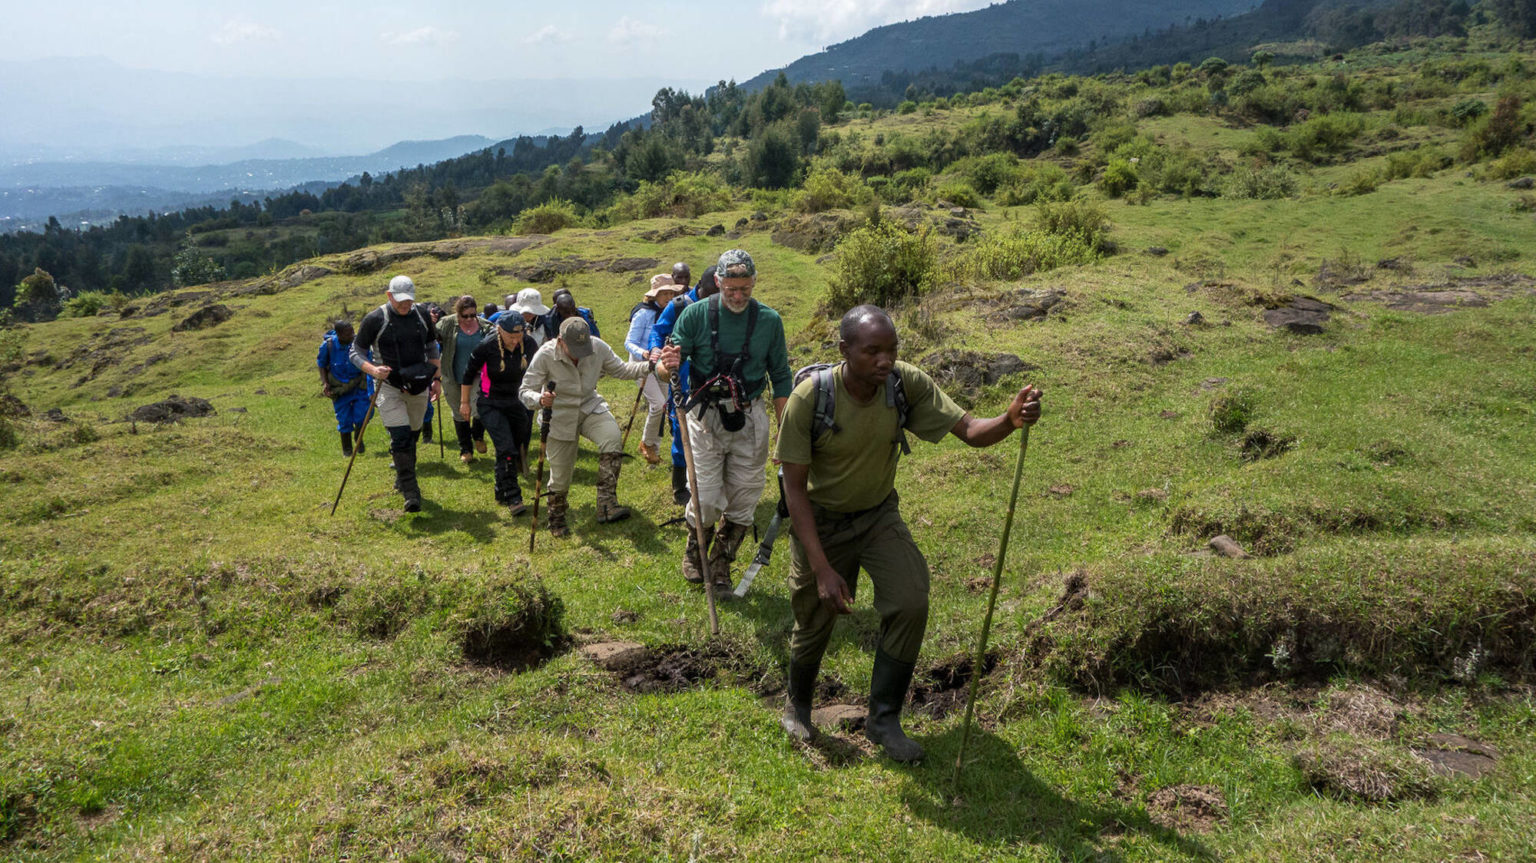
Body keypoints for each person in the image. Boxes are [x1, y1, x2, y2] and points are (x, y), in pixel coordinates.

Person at [774, 305, 1042, 761]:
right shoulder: (810, 398)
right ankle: (798, 705)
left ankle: (884, 719)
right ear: (844, 350)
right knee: (816, 616)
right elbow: (794, 489)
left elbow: (970, 431)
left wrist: (1009, 419)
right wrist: (821, 568)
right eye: (872, 351)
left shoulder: (904, 383)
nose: (885, 360)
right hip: (820, 520)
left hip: (878, 514)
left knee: (911, 598)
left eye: (892, 349)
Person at [656, 250, 791, 595]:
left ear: (754, 283)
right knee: (706, 497)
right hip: (705, 418)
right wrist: (666, 364)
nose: (738, 296)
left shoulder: (769, 321)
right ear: (717, 282)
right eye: (731, 289)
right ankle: (695, 550)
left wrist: (786, 434)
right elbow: (665, 368)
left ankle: (720, 563)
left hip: (750, 417)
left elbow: (781, 377)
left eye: (745, 288)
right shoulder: (694, 315)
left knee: (745, 499)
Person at [520, 317, 655, 537]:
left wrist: (650, 366)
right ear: (560, 341)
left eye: (582, 348)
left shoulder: (597, 347)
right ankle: (556, 517)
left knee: (612, 438)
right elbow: (525, 390)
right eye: (574, 349)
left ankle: (607, 504)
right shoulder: (545, 354)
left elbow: (622, 370)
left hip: (589, 406)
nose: (579, 354)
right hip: (558, 415)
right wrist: (539, 399)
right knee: (561, 476)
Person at [351, 275, 442, 513]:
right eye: (400, 300)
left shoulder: (422, 315)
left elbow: (431, 346)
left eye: (409, 300)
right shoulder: (375, 318)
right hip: (389, 385)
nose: (405, 305)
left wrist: (437, 379)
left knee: (412, 436)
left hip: (419, 385)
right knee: (400, 436)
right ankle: (412, 493)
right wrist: (373, 370)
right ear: (389, 296)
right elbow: (355, 351)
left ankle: (402, 477)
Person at [649, 264, 718, 504]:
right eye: (710, 295)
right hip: (683, 376)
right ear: (701, 287)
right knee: (681, 430)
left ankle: (710, 480)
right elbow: (658, 331)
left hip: (713, 377)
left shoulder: (724, 306)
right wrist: (656, 350)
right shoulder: (679, 306)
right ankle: (680, 485)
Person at [463, 315, 538, 515]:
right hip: (491, 403)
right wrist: (464, 403)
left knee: (512, 445)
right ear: (500, 331)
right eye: (510, 336)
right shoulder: (486, 346)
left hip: (517, 402)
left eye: (518, 336)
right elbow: (468, 374)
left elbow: (540, 370)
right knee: (506, 448)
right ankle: (514, 496)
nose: (515, 340)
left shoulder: (529, 344)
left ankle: (500, 488)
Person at [624, 274, 681, 464]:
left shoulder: (671, 312)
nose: (668, 297)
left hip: (660, 364)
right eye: (664, 294)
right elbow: (629, 342)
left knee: (664, 405)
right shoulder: (643, 313)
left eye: (670, 293)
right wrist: (644, 353)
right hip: (640, 364)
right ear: (654, 295)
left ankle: (654, 450)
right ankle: (646, 443)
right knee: (657, 404)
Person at [437, 296, 493, 463]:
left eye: (473, 315)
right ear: (458, 313)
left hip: (477, 375)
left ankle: (478, 435)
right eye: (465, 316)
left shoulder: (485, 326)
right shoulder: (447, 323)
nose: (469, 319)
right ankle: (466, 449)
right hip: (453, 374)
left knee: (479, 408)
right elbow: (432, 335)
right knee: (459, 412)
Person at [317, 320, 372, 457]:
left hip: (359, 385)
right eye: (348, 334)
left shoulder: (359, 343)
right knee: (344, 419)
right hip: (340, 388)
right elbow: (321, 365)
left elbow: (369, 361)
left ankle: (358, 438)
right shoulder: (328, 346)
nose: (352, 335)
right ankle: (347, 450)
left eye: (352, 331)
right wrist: (325, 383)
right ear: (339, 334)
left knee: (363, 414)